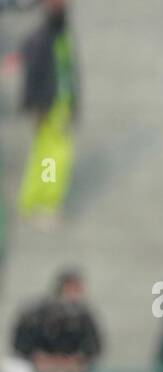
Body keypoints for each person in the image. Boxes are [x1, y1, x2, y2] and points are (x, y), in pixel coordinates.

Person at [19, 0, 77, 220]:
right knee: (53, 157)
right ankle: (43, 202)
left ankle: (36, 200)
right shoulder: (45, 38)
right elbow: (34, 77)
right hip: (49, 109)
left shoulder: (59, 36)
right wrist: (36, 107)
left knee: (48, 155)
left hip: (58, 107)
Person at [11, 268, 100, 372]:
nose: (78, 293)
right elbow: (21, 344)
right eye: (74, 288)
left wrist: (75, 360)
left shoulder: (84, 316)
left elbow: (93, 347)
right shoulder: (34, 313)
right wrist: (40, 359)